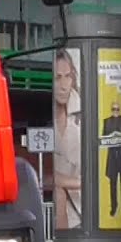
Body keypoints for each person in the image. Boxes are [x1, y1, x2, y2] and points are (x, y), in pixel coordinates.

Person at [52, 48, 82, 230]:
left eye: (68, 76)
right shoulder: (43, 121)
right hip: (59, 213)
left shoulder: (84, 117)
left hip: (83, 212)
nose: (64, 85)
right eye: (57, 77)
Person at [102, 101, 121, 219]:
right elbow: (103, 138)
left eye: (117, 109)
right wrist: (111, 137)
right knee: (112, 183)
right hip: (112, 155)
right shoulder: (107, 121)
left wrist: (120, 135)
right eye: (114, 109)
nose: (115, 111)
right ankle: (114, 207)